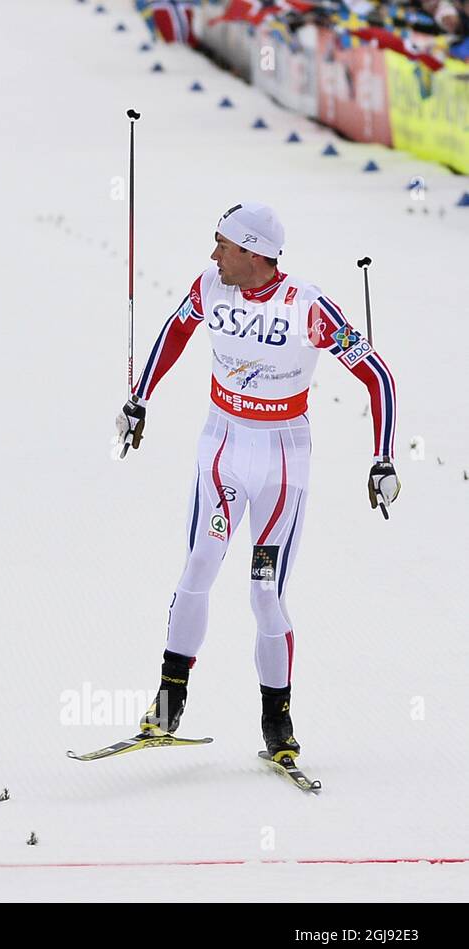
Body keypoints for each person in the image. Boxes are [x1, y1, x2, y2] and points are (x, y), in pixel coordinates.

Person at [116, 202, 399, 762]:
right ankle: (169, 700)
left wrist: (382, 459)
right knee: (200, 561)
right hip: (221, 446)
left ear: (252, 253)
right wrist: (138, 399)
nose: (213, 254)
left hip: (281, 458)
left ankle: (277, 720)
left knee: (264, 591)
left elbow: (378, 376)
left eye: (223, 244)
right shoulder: (209, 286)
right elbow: (173, 335)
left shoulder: (307, 307)